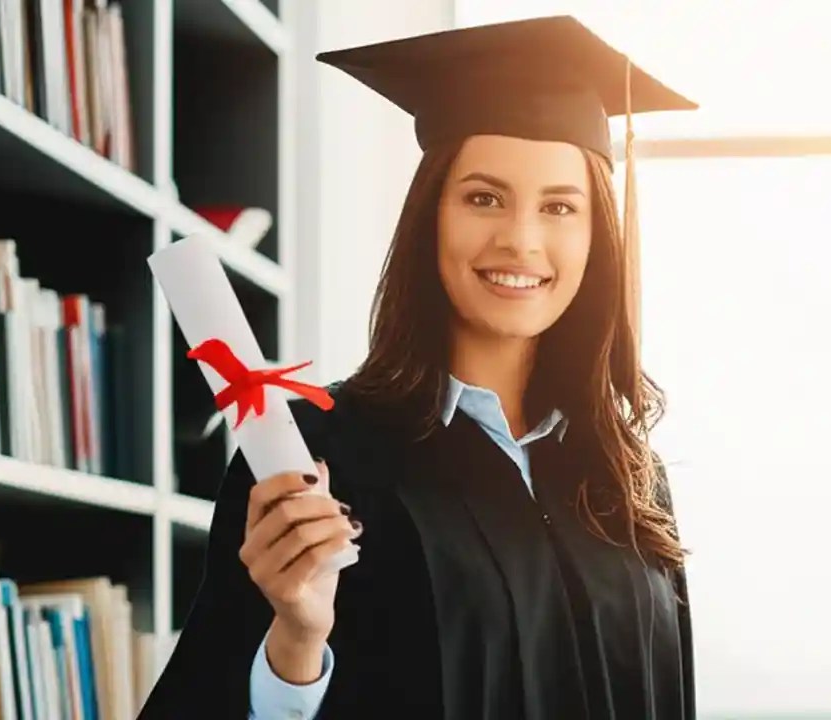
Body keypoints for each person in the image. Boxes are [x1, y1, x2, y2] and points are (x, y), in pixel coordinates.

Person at [137, 15, 699, 719]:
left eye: (560, 207)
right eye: (484, 197)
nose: (521, 240)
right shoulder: (314, 453)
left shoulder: (627, 473)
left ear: (597, 242)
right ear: (430, 215)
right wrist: (296, 641)